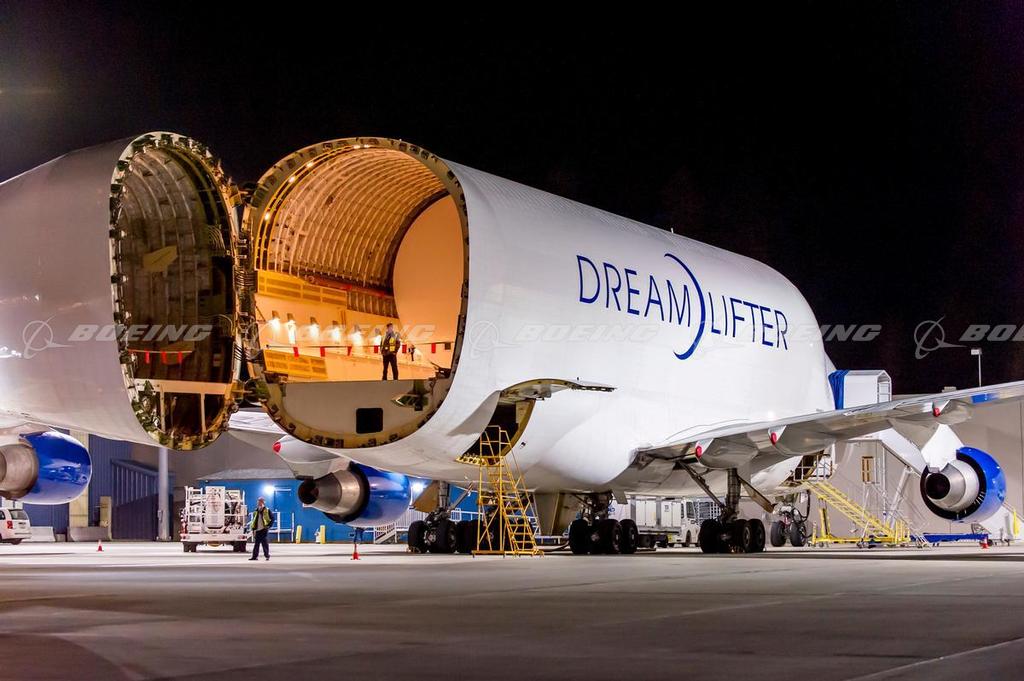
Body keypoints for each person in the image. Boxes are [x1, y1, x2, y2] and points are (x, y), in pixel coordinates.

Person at [249, 496, 274, 561]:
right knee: (256, 544)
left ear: (263, 502)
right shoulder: (256, 510)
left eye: (260, 501)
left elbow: (273, 518)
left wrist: (269, 526)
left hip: (264, 529)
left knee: (264, 544)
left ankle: (267, 556)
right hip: (257, 530)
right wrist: (253, 529)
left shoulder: (266, 510)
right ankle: (254, 557)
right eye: (258, 501)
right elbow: (254, 520)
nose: (259, 502)